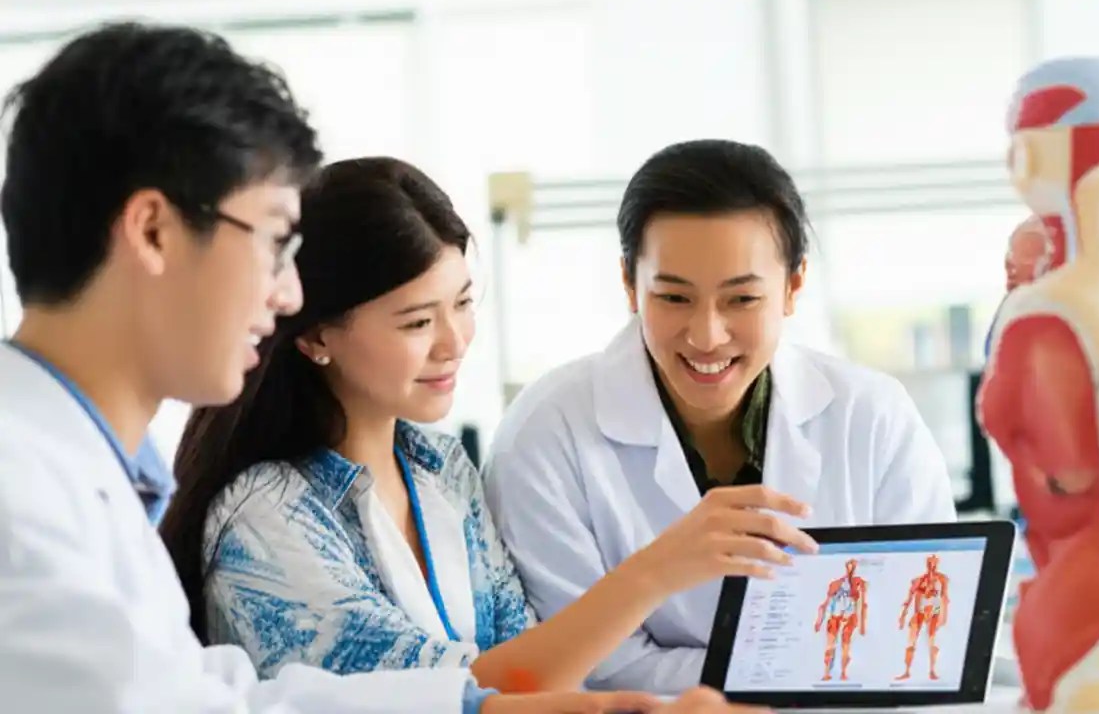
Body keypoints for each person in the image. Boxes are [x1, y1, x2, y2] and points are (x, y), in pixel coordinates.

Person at [0, 21, 736, 714]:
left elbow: (231, 703)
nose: (287, 294)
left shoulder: (73, 480)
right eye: (273, 243)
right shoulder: (25, 502)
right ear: (154, 230)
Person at [161, 155, 818, 693]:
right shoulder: (266, 517)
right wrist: (653, 573)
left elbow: (531, 667)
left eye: (463, 304)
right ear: (314, 336)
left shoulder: (442, 470)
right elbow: (449, 701)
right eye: (417, 321)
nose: (454, 343)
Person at [483, 139, 958, 693]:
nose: (707, 335)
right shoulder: (546, 434)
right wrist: (810, 670)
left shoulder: (874, 417)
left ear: (793, 286)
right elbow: (588, 667)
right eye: (674, 298)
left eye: (741, 300)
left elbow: (925, 640)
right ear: (629, 284)